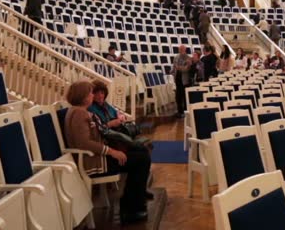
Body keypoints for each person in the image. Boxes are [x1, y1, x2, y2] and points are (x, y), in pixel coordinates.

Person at [63, 81, 150, 224]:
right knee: (140, 160)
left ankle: (133, 204)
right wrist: (112, 152)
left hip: (98, 156)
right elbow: (84, 143)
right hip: (93, 161)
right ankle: (130, 210)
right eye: (91, 92)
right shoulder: (79, 113)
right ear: (84, 96)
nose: (93, 95)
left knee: (141, 154)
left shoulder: (80, 111)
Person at [171, 45, 192, 116]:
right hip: (178, 78)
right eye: (179, 49)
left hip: (185, 80)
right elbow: (174, 66)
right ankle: (179, 111)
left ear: (184, 50)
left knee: (185, 96)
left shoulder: (188, 58)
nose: (179, 50)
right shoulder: (176, 57)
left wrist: (178, 68)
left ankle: (185, 111)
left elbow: (186, 69)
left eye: (181, 49)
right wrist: (173, 71)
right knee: (178, 96)